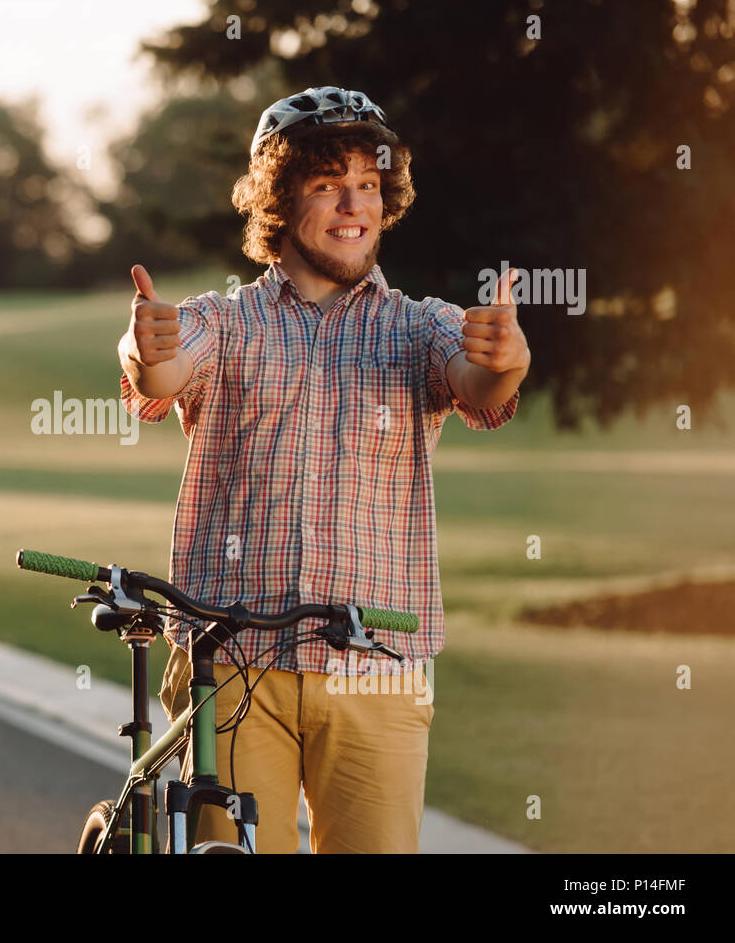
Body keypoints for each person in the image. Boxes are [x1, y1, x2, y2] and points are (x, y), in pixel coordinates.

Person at [116, 87, 529, 853]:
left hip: (376, 672)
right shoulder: (227, 320)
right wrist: (143, 349)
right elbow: (162, 369)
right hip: (230, 666)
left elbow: (480, 387)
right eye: (326, 184)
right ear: (279, 201)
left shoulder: (421, 327)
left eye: (368, 184)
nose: (353, 204)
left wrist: (509, 361)